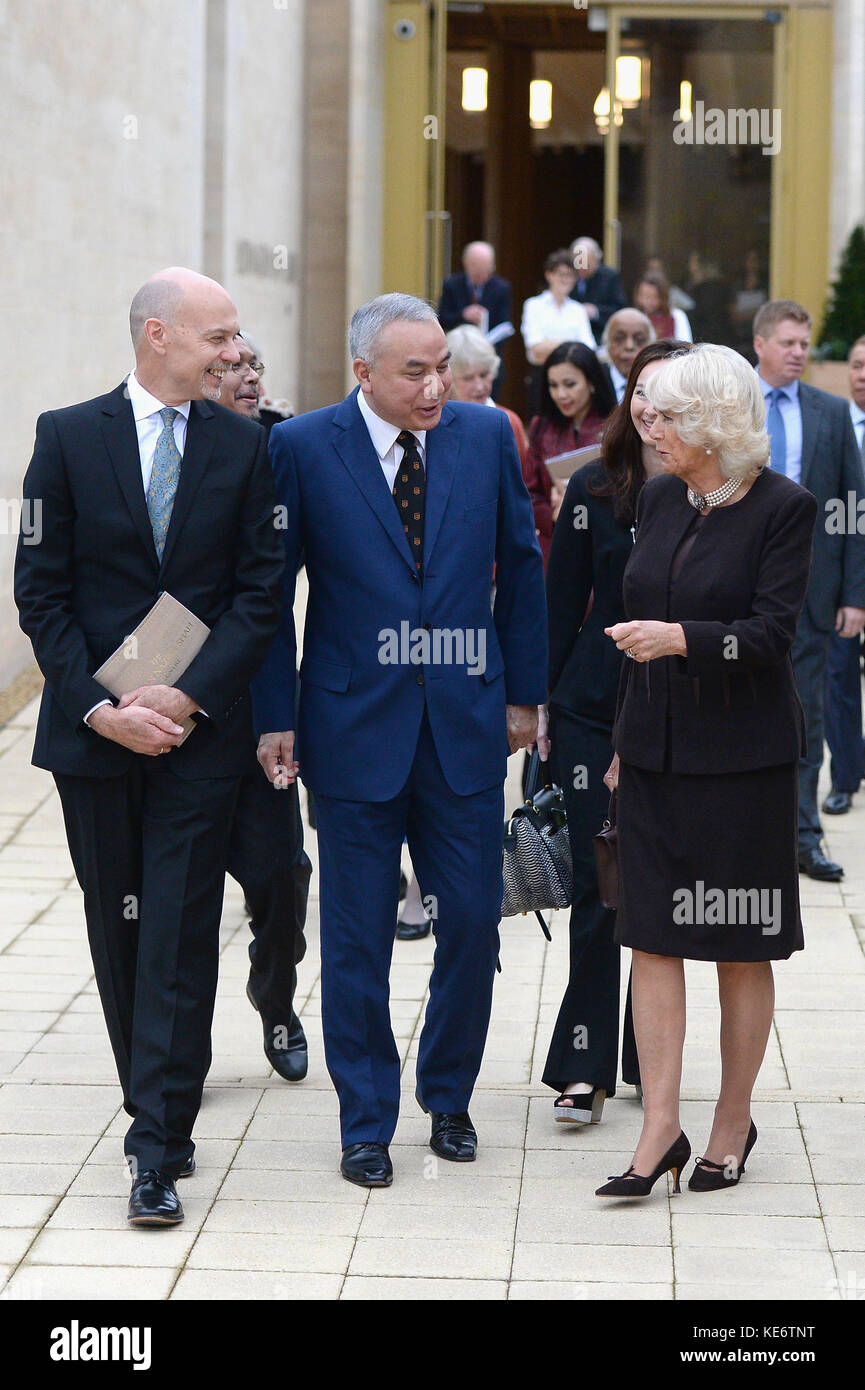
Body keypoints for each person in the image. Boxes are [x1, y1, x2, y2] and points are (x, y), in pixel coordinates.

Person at [251, 293, 547, 1189]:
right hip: (349, 732)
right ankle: (365, 1121)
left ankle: (448, 1097)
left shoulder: (486, 436)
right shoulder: (301, 448)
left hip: (464, 727)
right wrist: (276, 714)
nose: (433, 388)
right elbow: (272, 595)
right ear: (363, 374)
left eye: (442, 370)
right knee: (354, 939)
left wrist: (526, 697)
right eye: (413, 372)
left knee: (468, 921)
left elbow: (521, 566)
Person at [14, 268, 284, 1227]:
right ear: (158, 335)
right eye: (218, 336)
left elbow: (260, 592)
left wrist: (188, 695)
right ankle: (151, 1100)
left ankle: (157, 1142)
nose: (233, 352)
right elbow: (39, 593)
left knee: (178, 927)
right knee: (119, 928)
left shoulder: (245, 446)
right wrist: (100, 708)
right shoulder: (66, 437)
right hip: (95, 742)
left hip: (198, 739)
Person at [597, 343, 818, 1200]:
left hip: (741, 763)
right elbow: (630, 628)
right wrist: (621, 743)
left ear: (715, 424)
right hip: (652, 753)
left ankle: (731, 1121)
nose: (651, 430)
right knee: (650, 938)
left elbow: (771, 634)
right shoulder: (656, 497)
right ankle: (659, 1128)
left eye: (669, 417)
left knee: (734, 941)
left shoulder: (784, 509)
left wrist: (682, 639)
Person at [541, 339, 691, 1123]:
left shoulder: (723, 494)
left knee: (660, 899)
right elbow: (557, 607)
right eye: (640, 389)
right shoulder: (593, 490)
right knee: (599, 891)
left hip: (687, 719)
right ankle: (583, 1064)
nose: (647, 406)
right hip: (591, 714)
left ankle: (648, 1059)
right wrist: (534, 708)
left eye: (667, 393)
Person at [218, 338, 312, 1079]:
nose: (251, 376)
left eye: (257, 366)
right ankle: (175, 1051)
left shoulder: (283, 447)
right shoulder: (152, 453)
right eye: (234, 366)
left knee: (282, 876)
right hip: (172, 712)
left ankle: (275, 1001)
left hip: (261, 706)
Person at [754, 300, 865, 880]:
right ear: (761, 344)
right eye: (790, 342)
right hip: (737, 591)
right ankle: (745, 835)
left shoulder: (830, 411)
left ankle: (804, 837)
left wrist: (854, 593)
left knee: (806, 718)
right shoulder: (732, 403)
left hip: (813, 593)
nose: (800, 351)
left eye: (806, 342)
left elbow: (851, 507)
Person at [524, 342, 617, 567]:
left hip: (603, 544)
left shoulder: (616, 427)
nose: (561, 394)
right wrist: (556, 517)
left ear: (591, 383)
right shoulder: (541, 426)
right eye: (553, 385)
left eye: (570, 384)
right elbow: (528, 492)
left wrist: (576, 516)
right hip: (552, 546)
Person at [822, 334, 865, 815]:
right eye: (856, 365)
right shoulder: (834, 423)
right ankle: (845, 777)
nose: (862, 375)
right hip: (843, 576)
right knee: (840, 681)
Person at [438, 242, 513, 399]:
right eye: (476, 270)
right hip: (458, 357)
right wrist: (463, 315)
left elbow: (504, 325)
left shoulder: (501, 288)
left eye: (485, 270)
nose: (481, 276)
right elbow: (441, 319)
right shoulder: (452, 285)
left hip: (488, 354)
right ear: (466, 264)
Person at [569, 236, 627, 336]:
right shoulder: (568, 277)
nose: (582, 267)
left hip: (601, 334)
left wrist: (595, 312)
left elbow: (620, 310)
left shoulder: (609, 277)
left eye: (587, 263)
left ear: (596, 261)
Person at [599, 309, 656, 403]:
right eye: (619, 338)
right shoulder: (594, 385)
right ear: (607, 344)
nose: (629, 346)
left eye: (639, 339)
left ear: (651, 345)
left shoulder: (661, 385)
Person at [633, 271, 693, 343]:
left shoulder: (677, 315)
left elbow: (685, 344)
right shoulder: (634, 318)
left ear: (663, 297)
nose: (649, 301)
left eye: (654, 297)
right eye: (645, 296)